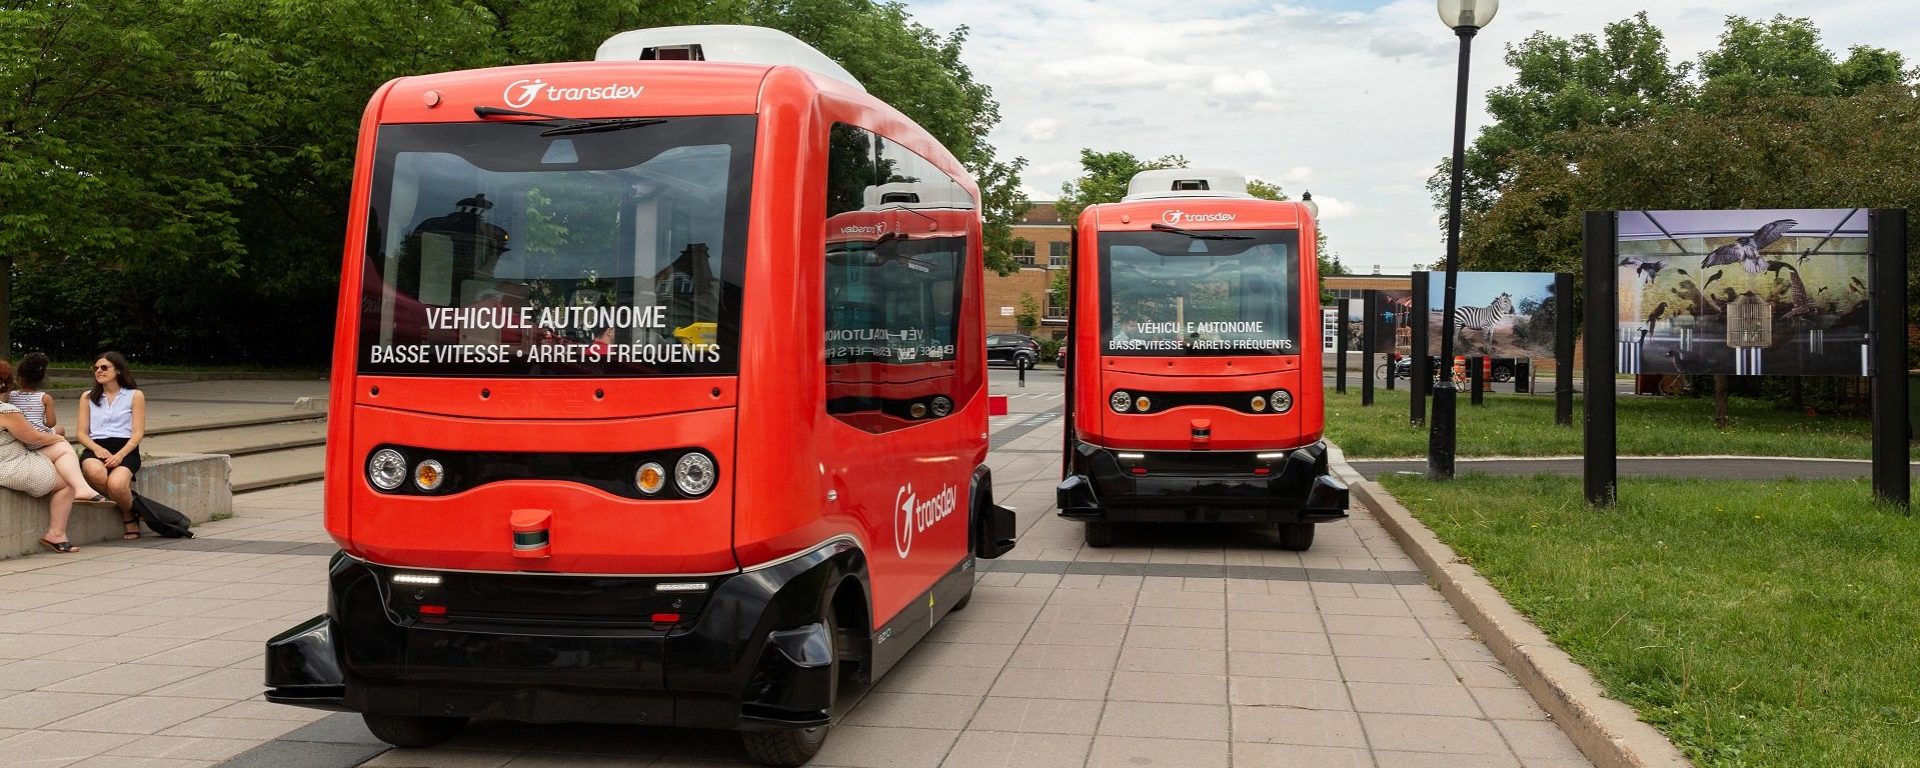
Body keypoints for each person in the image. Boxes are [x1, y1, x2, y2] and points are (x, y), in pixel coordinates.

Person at [0, 362, 103, 553]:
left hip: (11, 457)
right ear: (4, 385)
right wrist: (58, 436)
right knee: (66, 480)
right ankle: (56, 533)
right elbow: (33, 437)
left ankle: (82, 489)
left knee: (62, 453)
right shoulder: (5, 411)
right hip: (10, 465)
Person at [77, 352, 146, 540]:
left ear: (118, 370)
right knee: (95, 473)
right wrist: (97, 449)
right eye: (96, 368)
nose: (98, 371)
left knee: (116, 485)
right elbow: (81, 433)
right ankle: (130, 509)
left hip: (125, 448)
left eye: (104, 367)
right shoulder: (87, 397)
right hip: (96, 446)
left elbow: (138, 433)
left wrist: (120, 455)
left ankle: (127, 512)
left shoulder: (135, 395)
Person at [9, 352, 62, 436]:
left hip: (17, 436)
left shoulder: (10, 395)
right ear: (42, 378)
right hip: (37, 437)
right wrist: (41, 425)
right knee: (60, 430)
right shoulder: (45, 398)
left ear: (19, 377)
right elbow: (51, 423)